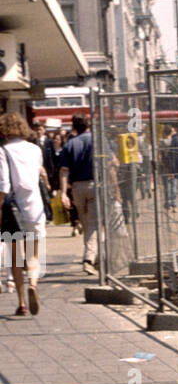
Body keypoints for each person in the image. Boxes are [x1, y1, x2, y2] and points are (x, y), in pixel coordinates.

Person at [0, 113, 48, 316]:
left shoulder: (3, 151)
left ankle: (22, 303)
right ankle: (34, 284)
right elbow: (37, 175)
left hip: (12, 209)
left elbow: (4, 184)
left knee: (14, 258)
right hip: (34, 208)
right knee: (33, 254)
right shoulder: (35, 149)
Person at [58, 114, 97, 274]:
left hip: (76, 188)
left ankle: (94, 257)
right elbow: (110, 163)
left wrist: (63, 193)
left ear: (73, 127)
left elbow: (64, 171)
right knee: (94, 224)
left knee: (86, 224)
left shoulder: (69, 144)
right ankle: (89, 258)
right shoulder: (97, 140)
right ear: (89, 125)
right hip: (95, 184)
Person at [159, 125, 178, 211]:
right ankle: (174, 203)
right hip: (174, 165)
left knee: (166, 185)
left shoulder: (162, 142)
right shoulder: (175, 141)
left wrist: (160, 163)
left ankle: (168, 203)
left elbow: (159, 155)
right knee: (173, 185)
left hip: (165, 165)